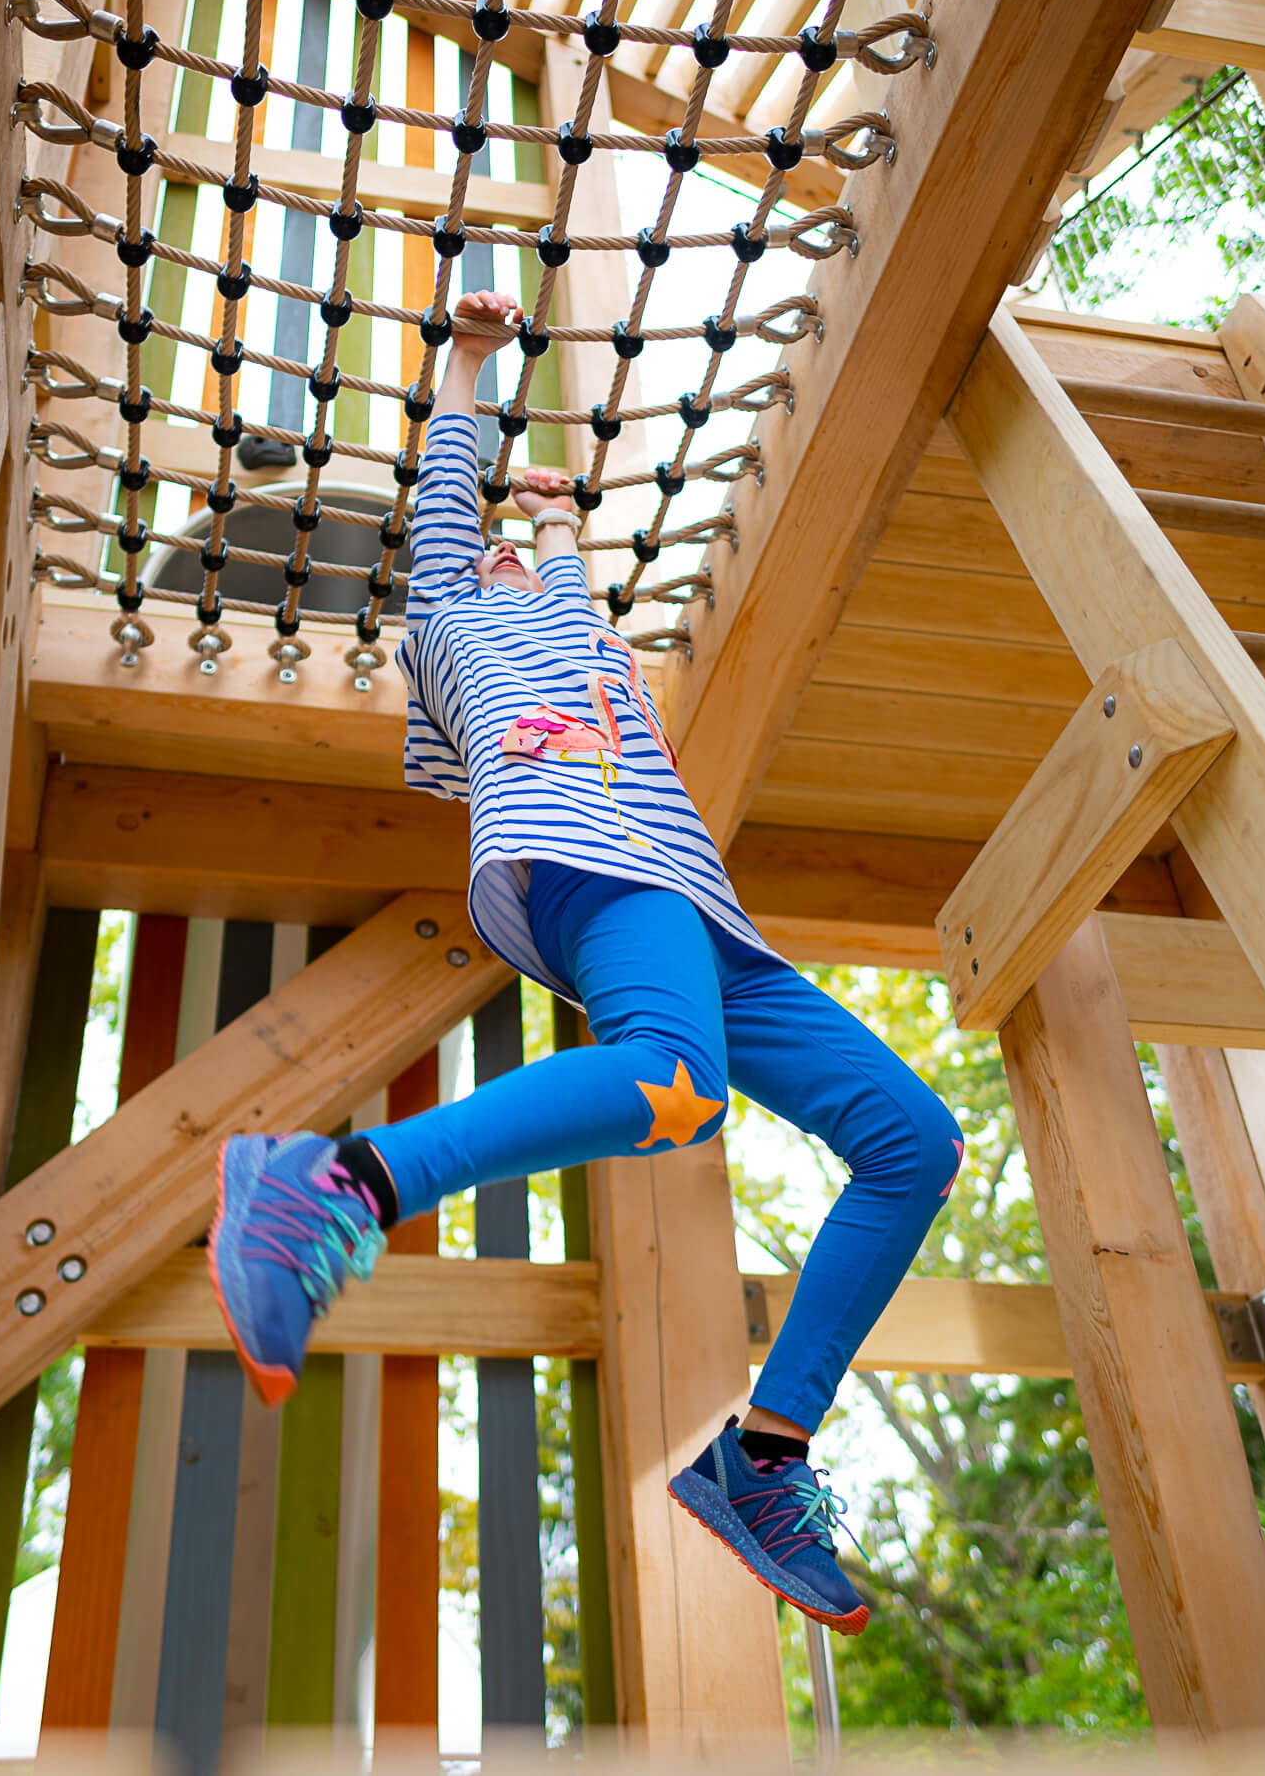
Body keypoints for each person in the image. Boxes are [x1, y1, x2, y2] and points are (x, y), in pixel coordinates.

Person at [206, 290, 962, 1635]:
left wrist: (557, 519)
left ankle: (765, 1460)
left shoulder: (582, 634)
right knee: (676, 1086)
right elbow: (451, 502)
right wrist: (475, 367)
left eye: (526, 554)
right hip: (582, 864)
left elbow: (570, 575)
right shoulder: (450, 622)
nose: (510, 557)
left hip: (710, 917)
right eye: (496, 549)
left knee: (916, 1138)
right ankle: (340, 1183)